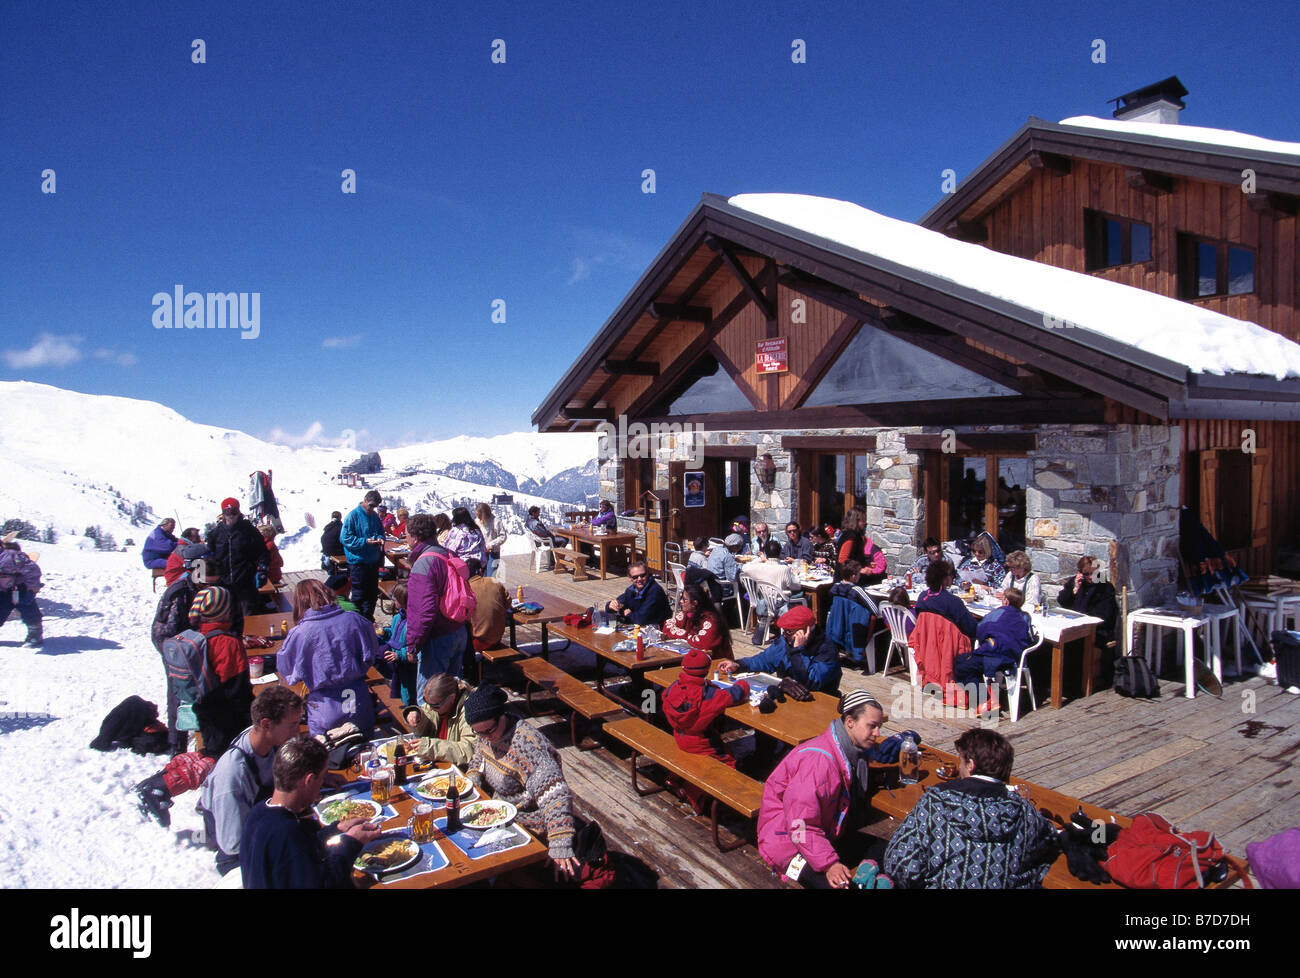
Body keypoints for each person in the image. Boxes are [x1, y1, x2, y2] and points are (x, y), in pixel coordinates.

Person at [883, 728, 1059, 888]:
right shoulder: (1025, 812)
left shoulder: (936, 802)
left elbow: (900, 865)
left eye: (961, 761)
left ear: (971, 765)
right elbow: (1048, 850)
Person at [757, 691, 887, 888]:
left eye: (879, 727)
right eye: (872, 726)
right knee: (841, 886)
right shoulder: (820, 764)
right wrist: (830, 864)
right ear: (850, 721)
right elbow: (799, 825)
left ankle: (868, 875)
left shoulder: (847, 750)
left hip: (824, 832)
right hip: (788, 842)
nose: (877, 733)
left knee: (889, 849)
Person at [465, 685, 578, 880]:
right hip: (499, 814)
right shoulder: (487, 735)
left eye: (488, 731)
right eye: (479, 733)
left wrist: (560, 841)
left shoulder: (527, 745)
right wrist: (472, 780)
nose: (485, 737)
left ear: (502, 715)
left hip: (529, 823)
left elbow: (555, 794)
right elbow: (479, 757)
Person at [240, 735, 382, 889]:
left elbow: (299, 851)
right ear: (309, 780)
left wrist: (335, 830)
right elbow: (325, 882)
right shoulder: (286, 832)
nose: (321, 785)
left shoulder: (258, 813)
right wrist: (351, 842)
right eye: (321, 779)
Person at [196, 685, 304, 875]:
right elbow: (233, 844)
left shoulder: (265, 740)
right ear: (266, 724)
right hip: (237, 853)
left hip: (261, 821)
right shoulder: (232, 776)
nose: (298, 731)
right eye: (292, 724)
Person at [276, 579, 378, 738]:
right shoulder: (354, 619)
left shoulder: (300, 632)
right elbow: (371, 651)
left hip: (325, 707)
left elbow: (287, 670)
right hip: (358, 701)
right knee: (364, 756)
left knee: (326, 758)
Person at [662, 649, 751, 812]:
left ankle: (674, 779)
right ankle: (695, 795)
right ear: (706, 670)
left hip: (680, 736)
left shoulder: (673, 687)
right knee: (728, 761)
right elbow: (735, 694)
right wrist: (743, 683)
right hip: (701, 742)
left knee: (693, 756)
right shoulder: (710, 696)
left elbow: (665, 697)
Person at [151, 543, 209, 754]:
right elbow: (172, 629)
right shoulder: (180, 591)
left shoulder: (195, 584)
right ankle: (177, 747)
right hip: (172, 647)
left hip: (183, 645)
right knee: (178, 692)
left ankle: (195, 730)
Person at [405, 513, 471, 689]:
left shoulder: (423, 564)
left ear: (415, 537)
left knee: (430, 696)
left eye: (406, 534)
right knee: (453, 691)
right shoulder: (447, 553)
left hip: (438, 637)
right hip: (458, 629)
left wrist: (413, 644)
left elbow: (421, 611)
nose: (405, 538)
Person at [187, 585, 254, 758]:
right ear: (224, 609)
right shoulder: (227, 642)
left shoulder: (194, 635)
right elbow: (237, 689)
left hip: (206, 714)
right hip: (229, 721)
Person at [718, 604, 842, 694]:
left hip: (819, 702)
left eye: (788, 632)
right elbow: (764, 660)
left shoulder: (826, 649)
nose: (784, 635)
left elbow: (810, 683)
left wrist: (798, 651)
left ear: (805, 631)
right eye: (784, 631)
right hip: (790, 695)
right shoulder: (785, 641)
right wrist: (738, 665)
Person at [956, 587, 1035, 715]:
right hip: (1016, 658)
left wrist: (987, 641)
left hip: (997, 654)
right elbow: (1030, 638)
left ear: (1006, 601)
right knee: (968, 662)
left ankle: (985, 701)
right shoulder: (1025, 617)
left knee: (962, 665)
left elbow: (980, 630)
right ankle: (986, 697)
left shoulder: (998, 613)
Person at [206, 498, 269, 618]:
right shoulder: (215, 534)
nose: (231, 516)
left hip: (245, 582)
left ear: (238, 512)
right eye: (227, 512)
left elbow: (263, 552)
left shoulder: (249, 531)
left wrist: (262, 570)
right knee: (226, 617)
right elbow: (209, 557)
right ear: (223, 513)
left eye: (234, 512)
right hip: (222, 584)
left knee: (248, 618)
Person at [403, 673, 477, 766]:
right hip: (438, 763)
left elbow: (469, 751)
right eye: (426, 702)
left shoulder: (471, 710)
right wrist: (418, 717)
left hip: (458, 770)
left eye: (435, 705)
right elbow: (426, 719)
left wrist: (431, 747)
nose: (430, 708)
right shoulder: (436, 702)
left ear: (451, 697)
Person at [740, 540, 805, 645]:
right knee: (803, 596)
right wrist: (796, 575)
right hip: (781, 603)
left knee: (766, 607)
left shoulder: (760, 567)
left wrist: (759, 559)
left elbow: (744, 567)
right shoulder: (784, 569)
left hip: (765, 602)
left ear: (766, 553)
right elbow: (795, 586)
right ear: (780, 553)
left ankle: (759, 634)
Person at [341, 490, 386, 620]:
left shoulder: (374, 517)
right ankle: (355, 620)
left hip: (372, 560)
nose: (372, 509)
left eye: (375, 506)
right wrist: (364, 542)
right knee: (359, 594)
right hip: (358, 562)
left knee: (372, 594)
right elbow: (345, 538)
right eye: (371, 505)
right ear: (365, 500)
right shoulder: (352, 516)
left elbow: (380, 532)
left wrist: (379, 538)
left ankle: (367, 619)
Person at [1057, 556, 1119, 645]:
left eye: (1093, 573)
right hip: (1074, 627)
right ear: (1081, 573)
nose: (1090, 577)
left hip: (1097, 630)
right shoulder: (1077, 582)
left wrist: (1080, 620)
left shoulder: (1105, 587)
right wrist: (1074, 589)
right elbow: (1061, 601)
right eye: (1086, 574)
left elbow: (1104, 615)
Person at [662, 583, 733, 660]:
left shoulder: (711, 620)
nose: (681, 601)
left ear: (695, 603)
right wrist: (686, 635)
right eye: (681, 598)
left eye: (685, 599)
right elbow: (667, 626)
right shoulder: (686, 614)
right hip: (695, 659)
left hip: (718, 662)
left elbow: (703, 643)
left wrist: (684, 635)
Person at [377, 582, 417, 708]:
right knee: (400, 687)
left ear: (403, 601)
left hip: (408, 666)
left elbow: (415, 647)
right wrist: (385, 632)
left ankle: (410, 710)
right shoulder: (398, 617)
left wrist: (398, 655)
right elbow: (394, 633)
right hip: (398, 662)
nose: (393, 602)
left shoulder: (413, 622)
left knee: (409, 691)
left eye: (395, 599)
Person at [914, 559, 977, 640]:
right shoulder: (953, 602)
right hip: (950, 646)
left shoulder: (922, 597)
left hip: (927, 643)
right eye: (951, 575)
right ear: (945, 579)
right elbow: (971, 628)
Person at [0, 534, 43, 647]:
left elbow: (33, 570)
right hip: (3, 591)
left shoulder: (11, 557)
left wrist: (33, 587)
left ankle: (35, 634)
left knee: (28, 610)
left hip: (20, 589)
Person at [466, 556, 508, 664]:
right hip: (497, 637)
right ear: (480, 571)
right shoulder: (495, 582)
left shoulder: (465, 588)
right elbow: (508, 603)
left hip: (478, 641)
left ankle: (469, 672)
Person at [605, 560, 671, 626]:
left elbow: (642, 619)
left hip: (657, 629)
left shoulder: (655, 591)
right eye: (635, 577)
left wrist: (627, 613)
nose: (639, 579)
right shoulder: (631, 590)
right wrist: (611, 605)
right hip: (638, 627)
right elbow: (619, 602)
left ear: (647, 574)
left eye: (642, 575)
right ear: (630, 578)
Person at [475, 502, 505, 579]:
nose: (479, 518)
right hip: (481, 553)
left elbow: (503, 536)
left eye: (480, 516)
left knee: (491, 576)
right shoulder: (477, 521)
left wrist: (490, 545)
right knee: (481, 576)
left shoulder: (496, 521)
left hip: (493, 552)